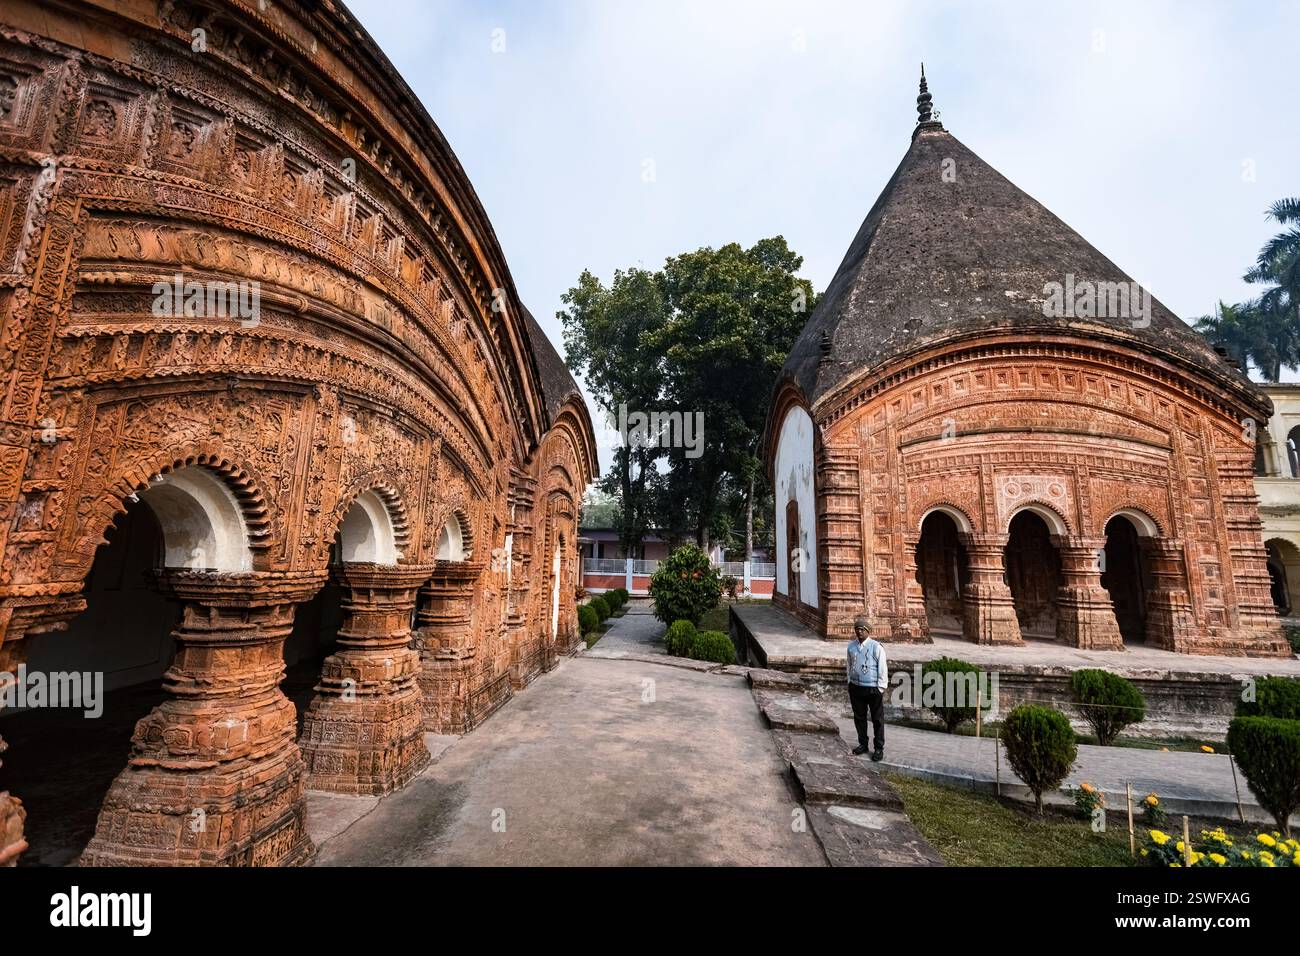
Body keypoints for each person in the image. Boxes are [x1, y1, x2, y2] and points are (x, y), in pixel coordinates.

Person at [846, 615, 887, 761]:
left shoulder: (876, 647)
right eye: (857, 629)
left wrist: (880, 687)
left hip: (872, 688)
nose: (859, 632)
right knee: (859, 718)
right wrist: (849, 681)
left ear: (868, 631)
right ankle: (863, 744)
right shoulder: (851, 646)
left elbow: (882, 667)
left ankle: (878, 748)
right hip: (856, 688)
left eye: (863, 629)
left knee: (877, 719)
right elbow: (849, 665)